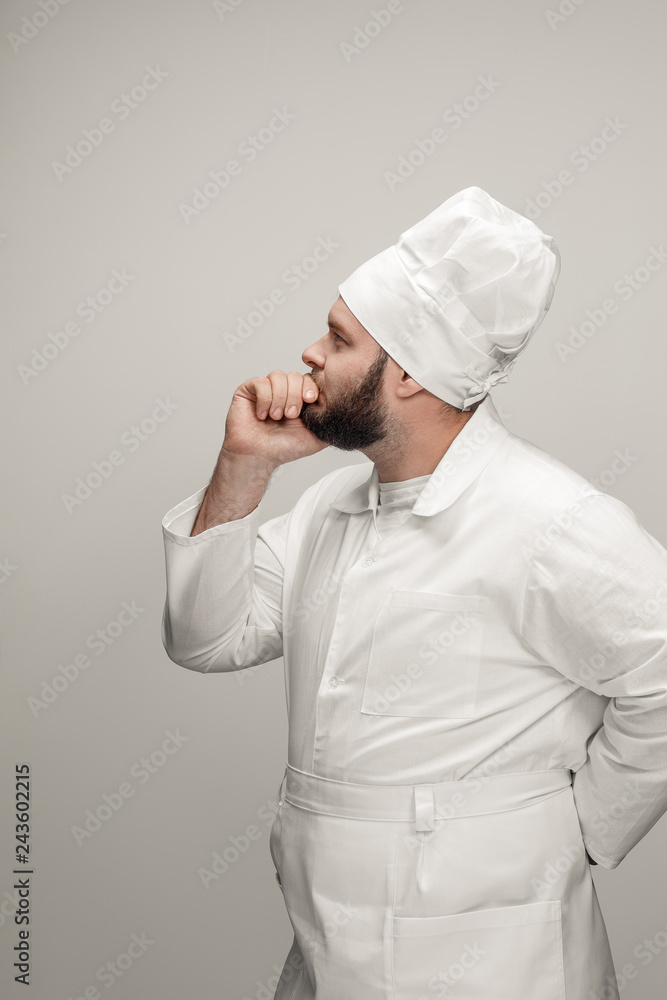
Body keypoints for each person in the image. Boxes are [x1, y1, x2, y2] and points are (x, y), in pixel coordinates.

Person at [160, 186, 667, 999]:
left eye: (338, 338)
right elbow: (204, 640)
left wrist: (578, 829)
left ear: (406, 372)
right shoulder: (330, 507)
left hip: (493, 957)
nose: (310, 354)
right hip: (329, 947)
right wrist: (243, 466)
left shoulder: (548, 519)